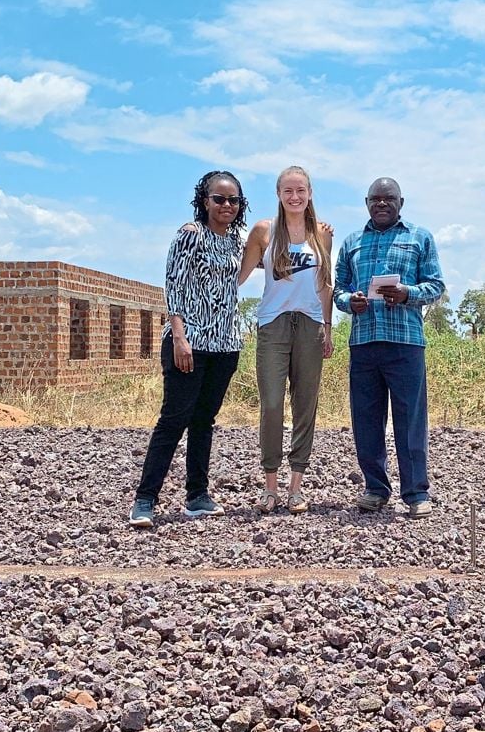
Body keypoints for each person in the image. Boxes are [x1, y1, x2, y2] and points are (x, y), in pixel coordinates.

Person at [128, 170, 249, 526]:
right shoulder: (189, 236)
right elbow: (174, 286)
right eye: (219, 199)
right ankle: (145, 499)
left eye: (233, 200)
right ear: (204, 200)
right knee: (173, 420)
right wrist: (180, 337)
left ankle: (197, 496)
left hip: (226, 343)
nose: (226, 205)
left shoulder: (235, 241)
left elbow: (267, 256)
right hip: (190, 342)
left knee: (203, 421)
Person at [333, 177, 445, 518]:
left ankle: (415, 493)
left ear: (401, 202)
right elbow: (337, 288)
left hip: (406, 343)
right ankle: (375, 488)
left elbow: (436, 285)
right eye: (375, 199)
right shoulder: (352, 242)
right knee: (366, 419)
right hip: (364, 343)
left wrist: (408, 293)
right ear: (367, 202)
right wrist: (349, 301)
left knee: (410, 420)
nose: (382, 204)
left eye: (389, 199)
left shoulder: (419, 237)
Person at [239, 165, 334, 514]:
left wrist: (328, 327)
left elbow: (325, 282)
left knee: (305, 404)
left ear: (309, 193)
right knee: (272, 404)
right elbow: (241, 273)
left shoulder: (322, 234)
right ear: (279, 194)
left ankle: (296, 486)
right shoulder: (265, 230)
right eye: (288, 191)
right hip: (273, 323)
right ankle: (270, 486)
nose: (295, 197)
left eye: (301, 190)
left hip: (310, 324)